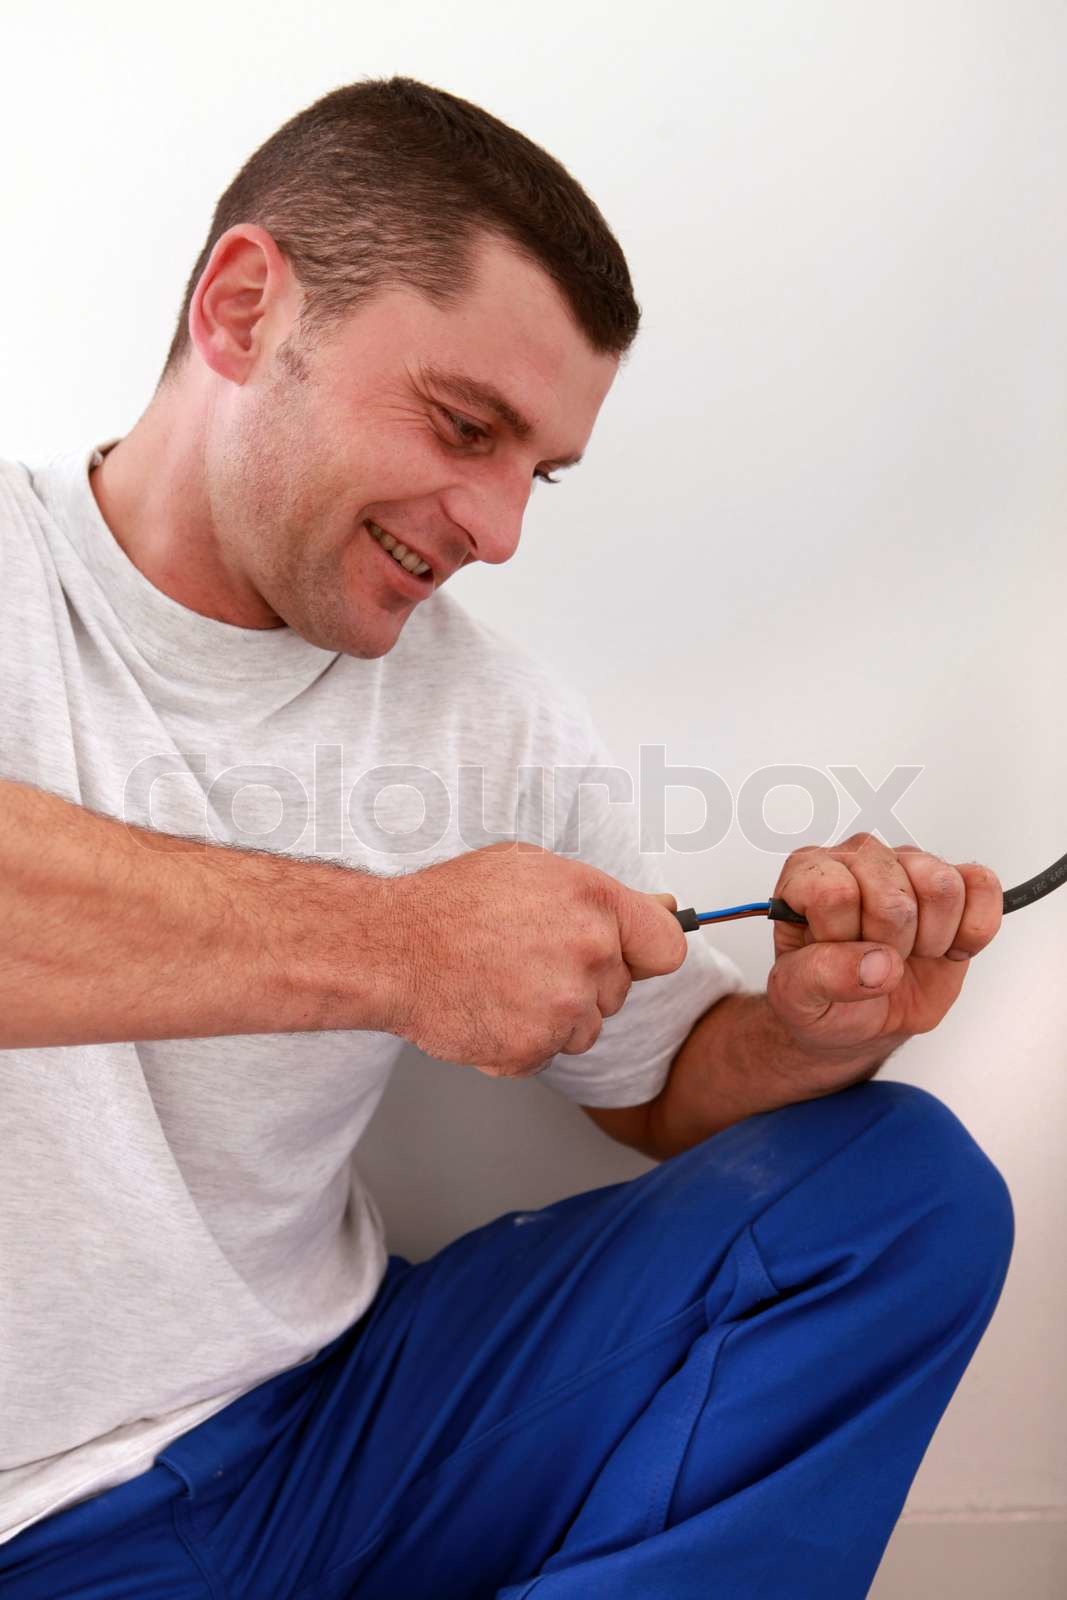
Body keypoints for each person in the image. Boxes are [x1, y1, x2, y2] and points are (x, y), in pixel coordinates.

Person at [0, 76, 1013, 1598]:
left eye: (536, 471)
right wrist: (397, 947)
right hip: (35, 1521)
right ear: (243, 308)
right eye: (465, 425)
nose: (499, 528)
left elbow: (668, 1087)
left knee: (901, 1195)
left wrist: (814, 1031)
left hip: (343, 1425)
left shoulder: (488, 712)